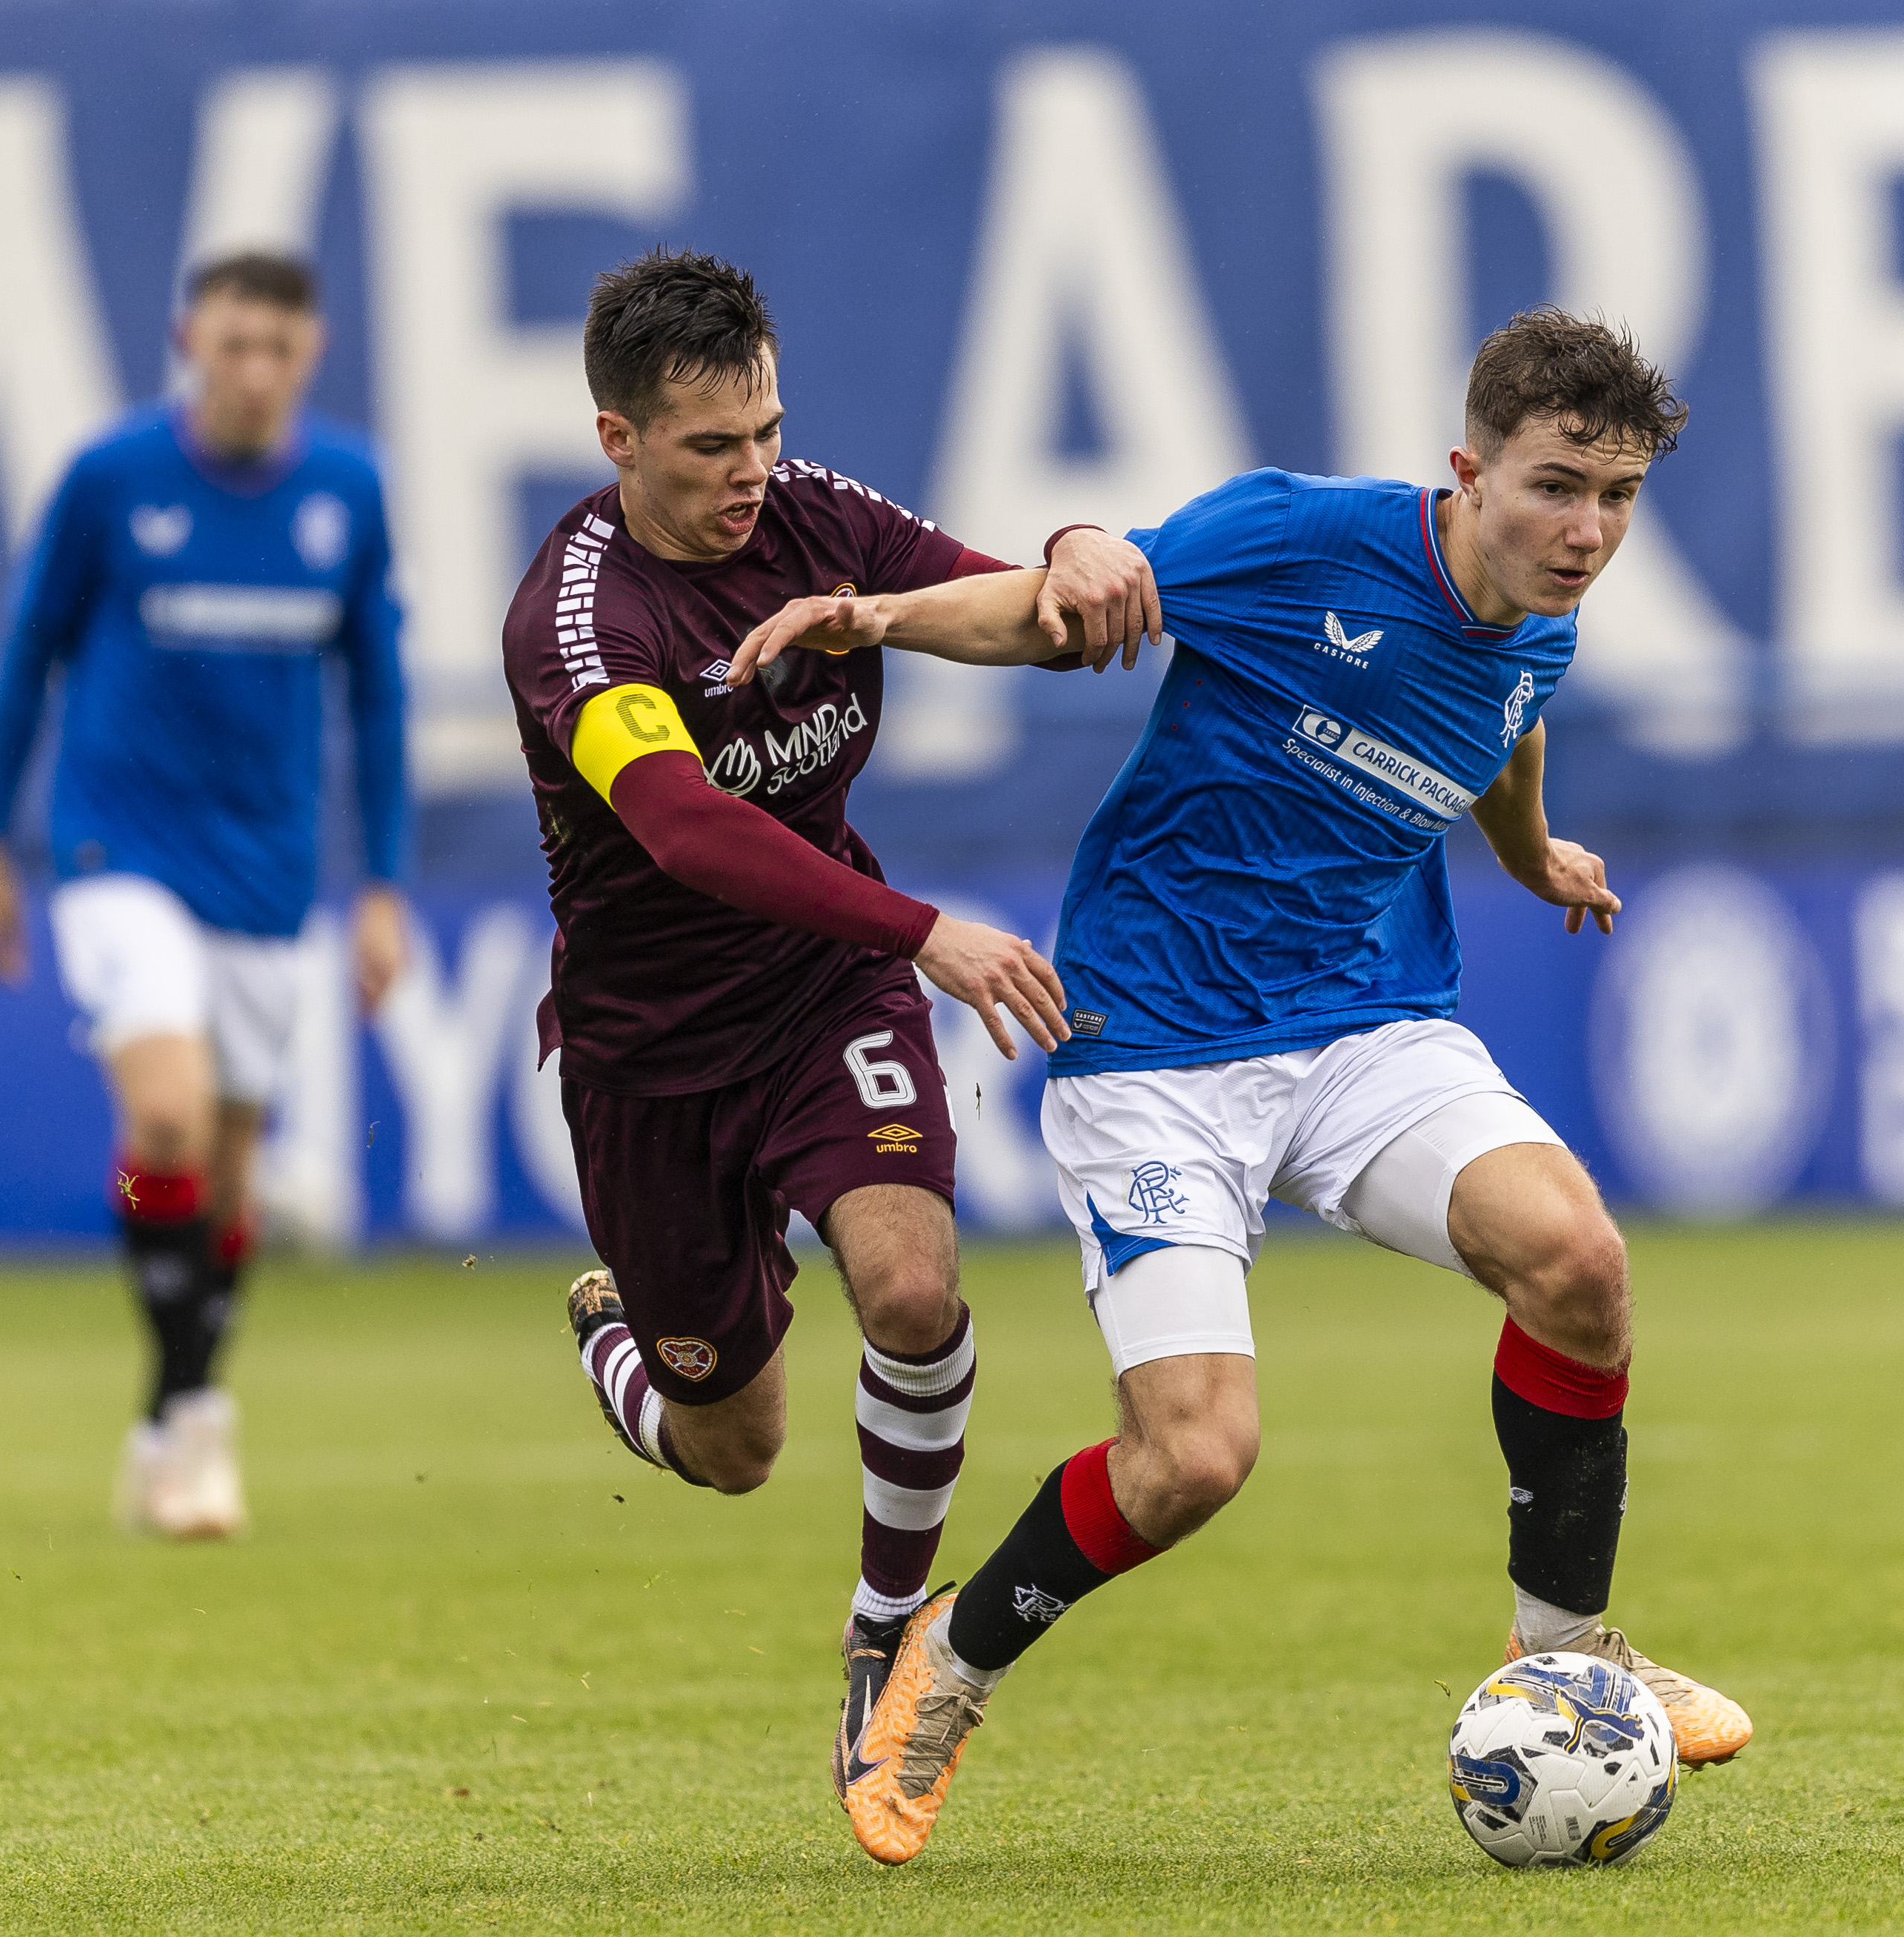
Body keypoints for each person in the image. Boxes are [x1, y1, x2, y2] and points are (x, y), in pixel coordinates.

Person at [731, 308, 1755, 1864]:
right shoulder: (1299, 539)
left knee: (1576, 1262)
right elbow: (1061, 611)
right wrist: (875, 617)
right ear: (1469, 471)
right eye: (1556, 488)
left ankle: (1562, 1651)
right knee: (1194, 1454)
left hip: (1360, 1023)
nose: (1586, 532)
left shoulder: (1545, 614)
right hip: (1156, 1041)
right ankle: (949, 1656)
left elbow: (1504, 723)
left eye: (1615, 498)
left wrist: (1532, 852)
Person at [498, 247, 1156, 1808]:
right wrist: (925, 928)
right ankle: (618, 1334)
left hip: (821, 988)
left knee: (911, 1287)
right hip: (650, 1058)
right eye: (710, 446)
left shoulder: (811, 515)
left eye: (767, 432)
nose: (752, 473)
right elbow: (681, 827)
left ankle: (886, 1635)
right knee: (732, 1450)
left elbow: (1021, 610)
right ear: (618, 440)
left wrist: (1072, 549)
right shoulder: (577, 616)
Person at [0, 250, 409, 1540]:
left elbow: (376, 695)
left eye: (278, 347)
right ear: (187, 343)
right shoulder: (112, 478)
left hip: (267, 870)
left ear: (311, 353)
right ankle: (193, 1416)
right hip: (118, 848)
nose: (253, 370)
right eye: (232, 344)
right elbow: (28, 655)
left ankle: (175, 1415)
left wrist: (382, 885)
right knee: (166, 1115)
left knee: (226, 1172)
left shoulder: (348, 490)